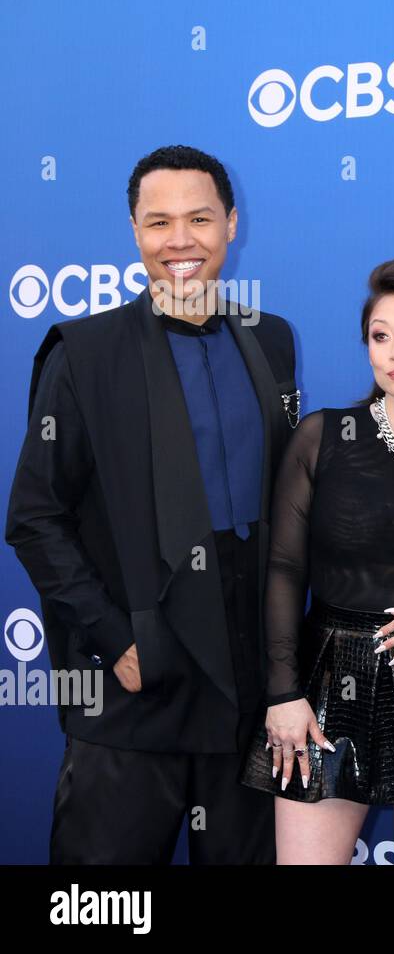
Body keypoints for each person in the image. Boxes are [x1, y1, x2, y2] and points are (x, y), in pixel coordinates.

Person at [6, 145, 297, 864]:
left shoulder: (271, 339)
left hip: (248, 696)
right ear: (134, 232)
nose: (179, 241)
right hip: (134, 692)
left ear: (231, 224)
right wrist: (116, 640)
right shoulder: (85, 352)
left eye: (198, 218)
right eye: (157, 221)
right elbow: (35, 517)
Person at [240, 258, 394, 864]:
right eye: (380, 336)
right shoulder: (323, 436)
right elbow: (282, 570)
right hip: (327, 682)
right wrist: (283, 692)